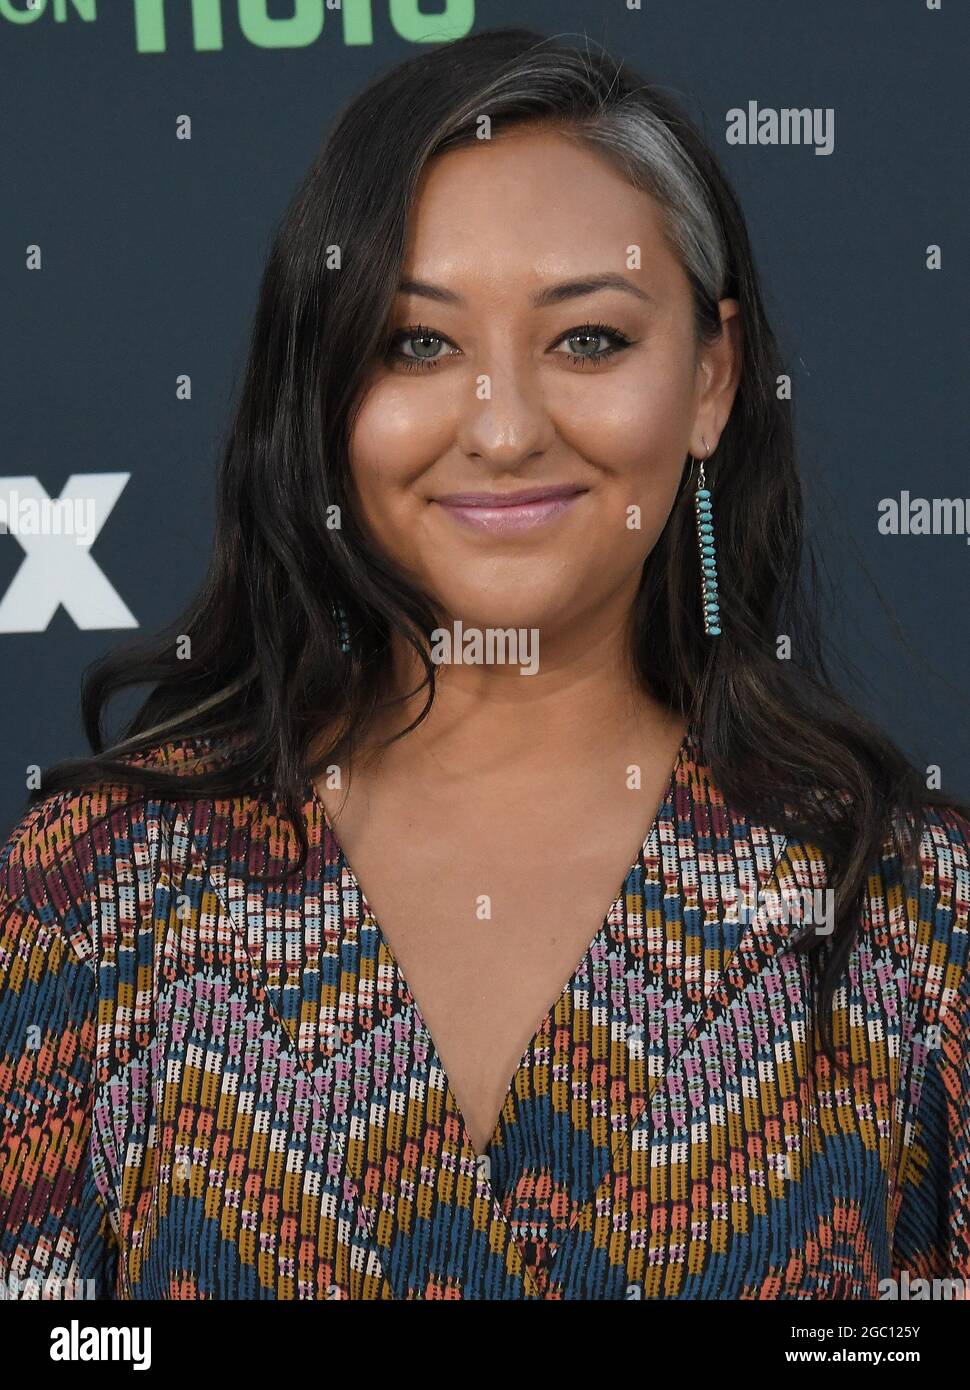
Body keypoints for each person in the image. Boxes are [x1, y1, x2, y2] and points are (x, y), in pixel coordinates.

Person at [1, 27, 967, 1302]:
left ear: (710, 380)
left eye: (588, 341)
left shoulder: (904, 911)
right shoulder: (99, 889)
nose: (504, 429)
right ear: (326, 389)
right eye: (416, 344)